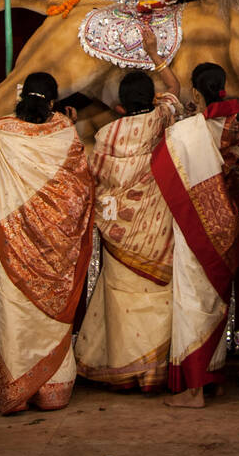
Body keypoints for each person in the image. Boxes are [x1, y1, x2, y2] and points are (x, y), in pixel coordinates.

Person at [0, 72, 95, 414]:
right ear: (53, 102)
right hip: (57, 247)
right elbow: (82, 190)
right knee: (50, 317)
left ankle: (18, 389)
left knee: (16, 313)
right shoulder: (66, 133)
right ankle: (54, 387)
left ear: (21, 97)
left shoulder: (3, 133)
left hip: (12, 242)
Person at [76, 31, 183, 393]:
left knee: (123, 297)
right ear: (153, 100)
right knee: (155, 298)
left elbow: (98, 179)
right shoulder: (161, 120)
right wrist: (155, 54)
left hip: (120, 233)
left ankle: (125, 370)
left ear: (120, 106)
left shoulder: (107, 136)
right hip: (156, 233)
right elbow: (176, 88)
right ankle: (155, 371)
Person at [151, 61, 239, 407]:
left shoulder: (186, 131)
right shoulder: (236, 126)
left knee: (192, 301)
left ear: (196, 92)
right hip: (230, 225)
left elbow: (162, 159)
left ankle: (193, 392)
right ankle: (215, 377)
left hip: (198, 226)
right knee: (217, 300)